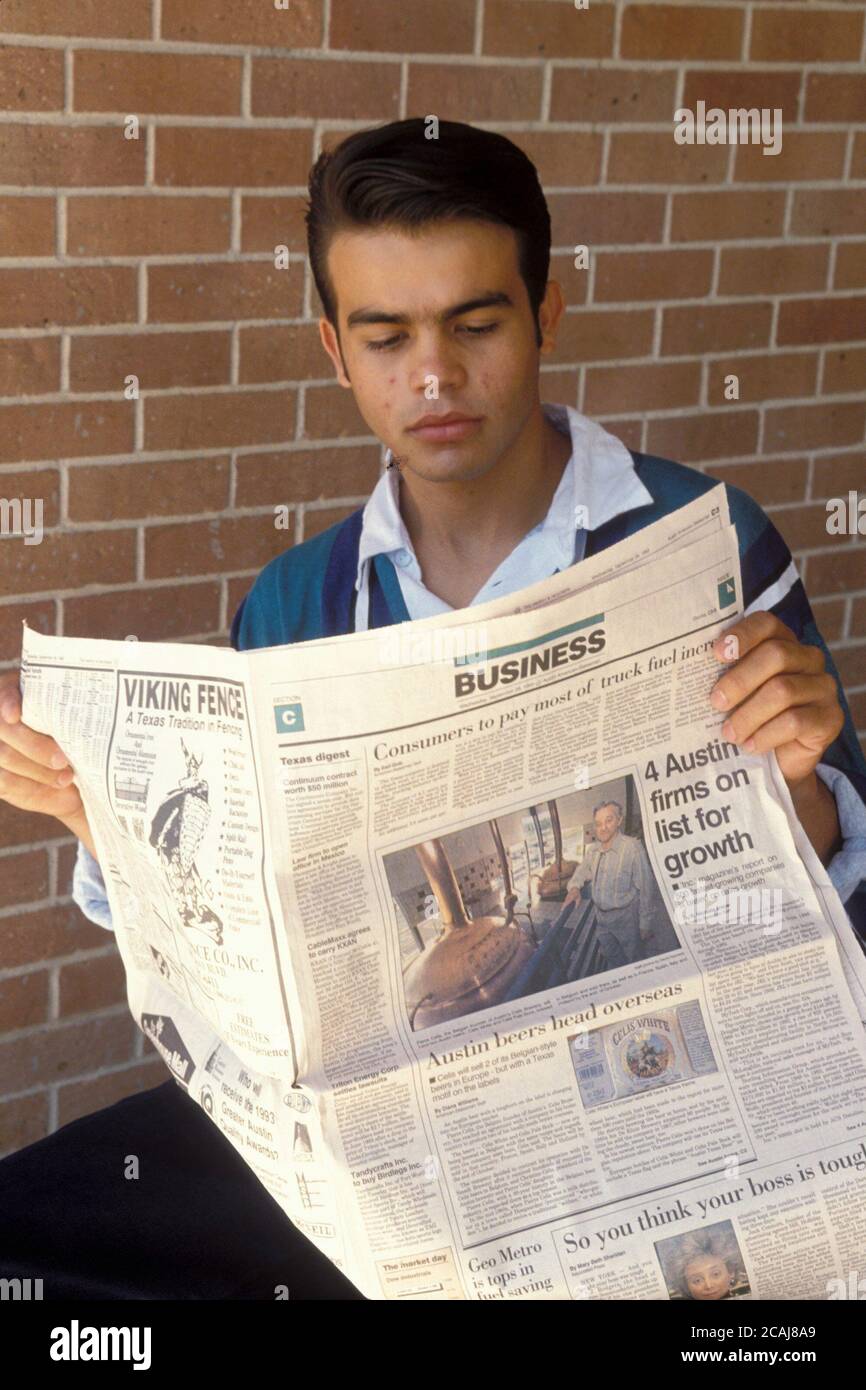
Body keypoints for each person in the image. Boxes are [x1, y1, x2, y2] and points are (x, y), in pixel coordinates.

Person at [1, 117, 865, 1300]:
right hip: (385, 1141)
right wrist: (103, 824)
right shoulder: (293, 604)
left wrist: (804, 778)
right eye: (386, 334)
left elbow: (826, 904)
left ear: (545, 311)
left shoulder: (701, 539)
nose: (434, 377)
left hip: (653, 1105)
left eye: (475, 322)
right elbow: (254, 961)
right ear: (331, 348)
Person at [563, 800, 659, 968]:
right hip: (601, 919)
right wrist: (574, 888)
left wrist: (645, 923)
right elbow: (582, 870)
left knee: (636, 959)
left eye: (609, 820)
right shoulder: (593, 850)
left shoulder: (632, 847)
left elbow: (646, 887)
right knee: (613, 957)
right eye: (598, 823)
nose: (603, 827)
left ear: (619, 820)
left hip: (626, 918)